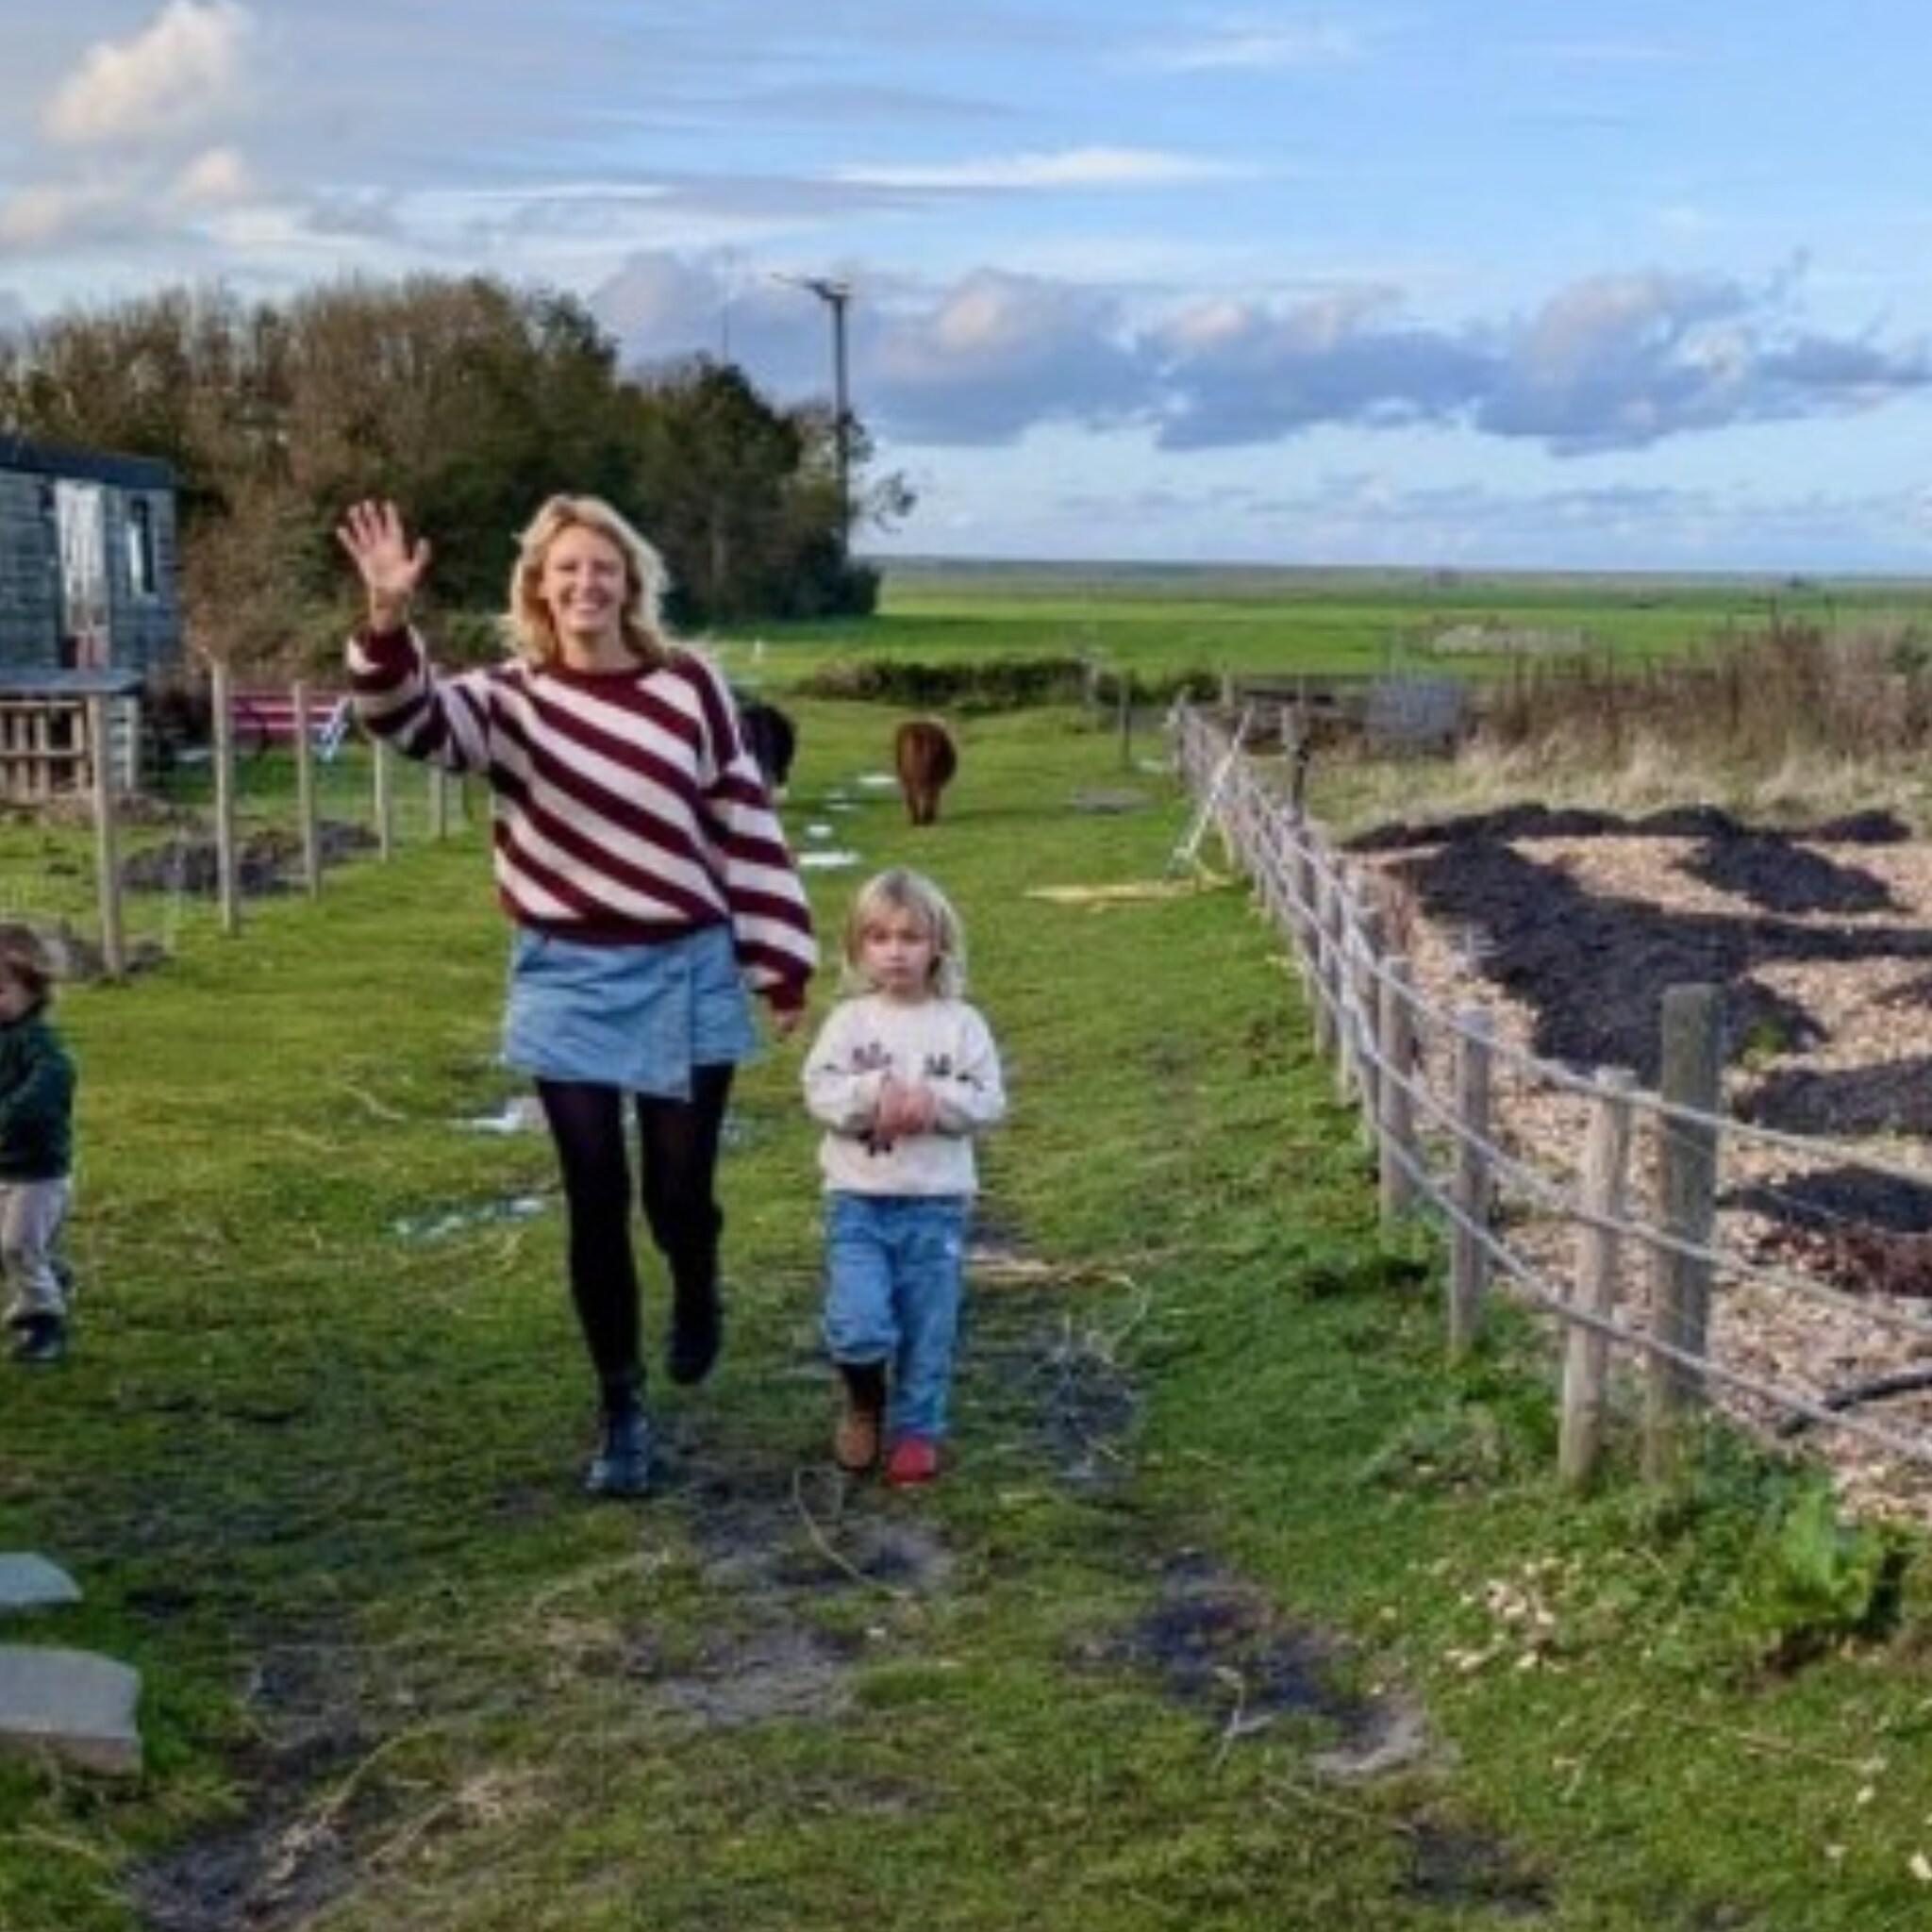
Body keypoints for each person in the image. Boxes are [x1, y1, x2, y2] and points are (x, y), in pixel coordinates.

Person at [336, 496, 816, 1498]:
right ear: (537, 588)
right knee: (594, 1196)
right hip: (564, 970)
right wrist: (385, 619)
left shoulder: (689, 688)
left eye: (601, 568)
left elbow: (741, 816)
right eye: (564, 571)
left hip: (685, 958)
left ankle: (696, 1277)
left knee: (675, 1196)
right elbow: (406, 719)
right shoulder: (507, 699)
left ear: (629, 582)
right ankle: (621, 1406)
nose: (583, 585)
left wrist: (780, 955)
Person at [802, 868, 1005, 1486]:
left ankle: (919, 1428)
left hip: (935, 1204)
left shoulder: (962, 1024)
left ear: (937, 944)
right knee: (861, 1323)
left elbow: (989, 1100)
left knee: (927, 1322)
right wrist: (873, 1094)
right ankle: (864, 1400)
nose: (895, 950)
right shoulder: (848, 1023)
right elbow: (819, 1090)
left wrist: (935, 1103)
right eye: (880, 937)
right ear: (859, 947)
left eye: (911, 937)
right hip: (857, 1202)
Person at [0, 925, 78, 1367]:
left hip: (38, 1172)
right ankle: (50, 1273)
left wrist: (11, 1112)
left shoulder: (42, 1044)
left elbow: (51, 1085)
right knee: (10, 1247)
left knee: (15, 1247)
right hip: (4, 1166)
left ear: (32, 988)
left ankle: (42, 1324)